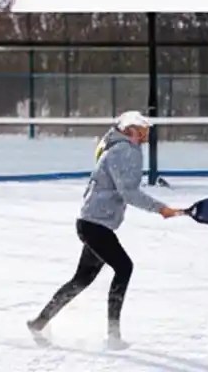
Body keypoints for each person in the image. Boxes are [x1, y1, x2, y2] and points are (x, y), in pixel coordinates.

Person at [27, 111, 184, 349]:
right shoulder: (125, 151)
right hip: (96, 225)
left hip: (91, 223)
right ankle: (113, 336)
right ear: (130, 131)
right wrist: (161, 209)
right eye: (142, 130)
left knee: (81, 279)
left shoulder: (117, 147)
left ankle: (40, 322)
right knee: (124, 267)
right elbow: (128, 192)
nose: (146, 134)